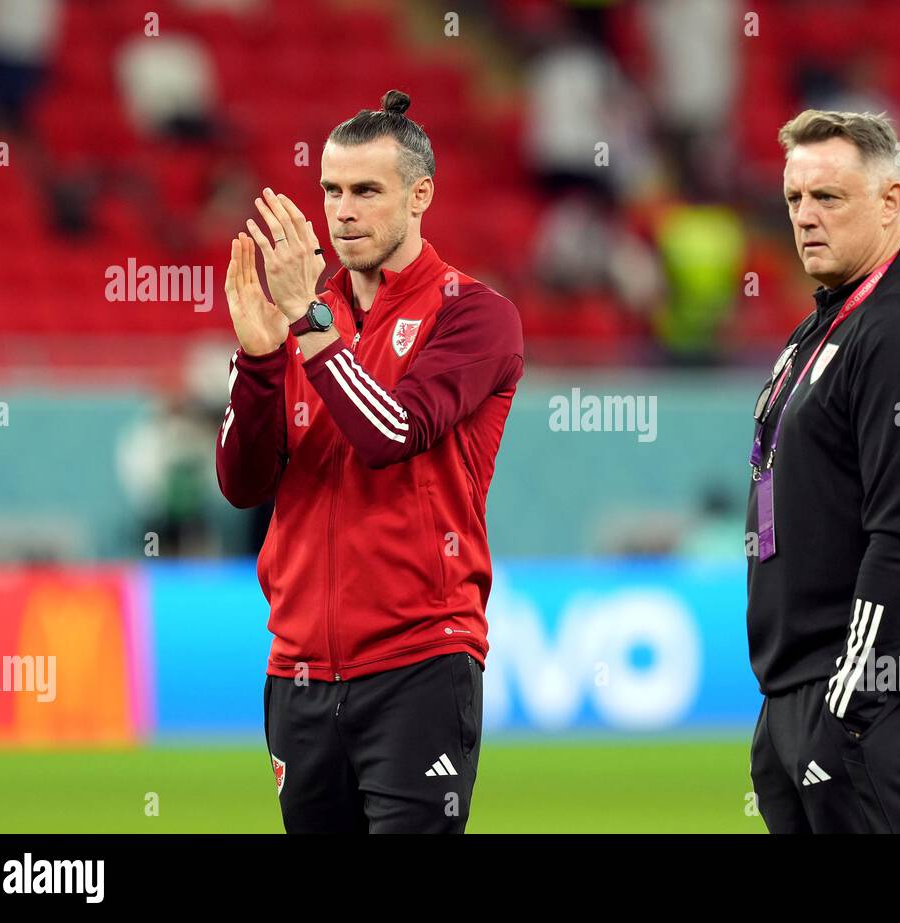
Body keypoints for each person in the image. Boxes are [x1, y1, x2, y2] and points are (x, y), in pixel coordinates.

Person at [216, 90, 524, 833]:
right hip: (297, 671)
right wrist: (260, 361)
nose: (342, 210)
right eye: (330, 189)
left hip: (419, 660)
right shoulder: (301, 319)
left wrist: (309, 326)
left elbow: (391, 431)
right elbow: (242, 483)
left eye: (365, 190)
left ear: (420, 196)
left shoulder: (475, 315)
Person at [745, 110, 900, 833]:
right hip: (802, 689)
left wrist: (846, 702)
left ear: (891, 201)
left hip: (863, 698)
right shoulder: (830, 324)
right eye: (794, 199)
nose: (806, 217)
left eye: (829, 198)